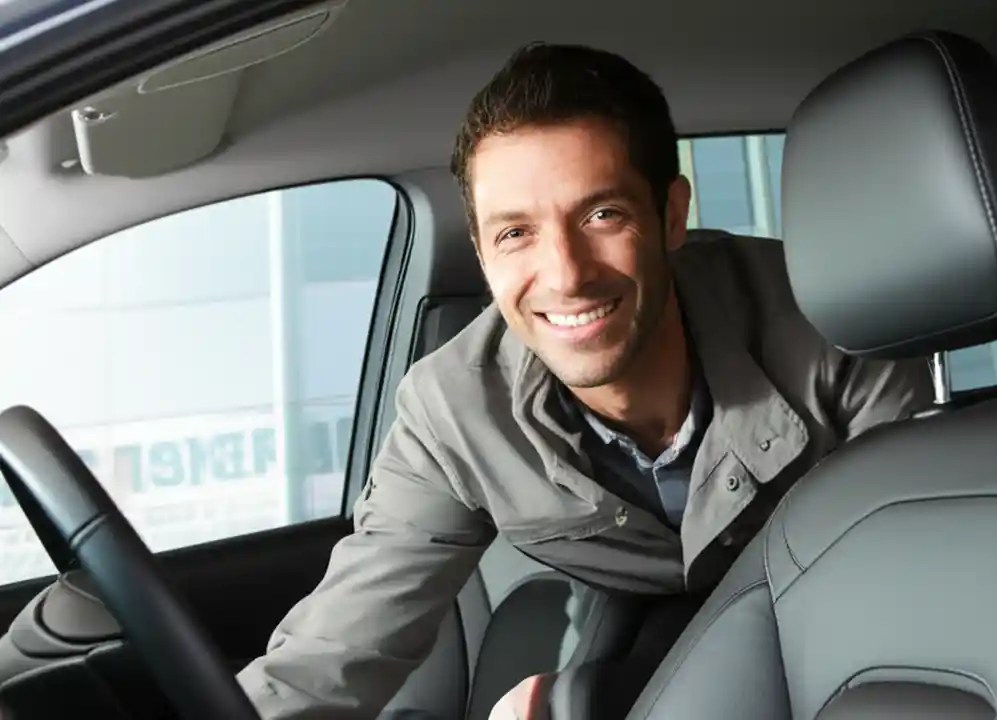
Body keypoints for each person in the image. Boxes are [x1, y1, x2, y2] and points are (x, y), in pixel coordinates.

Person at [236, 42, 932, 719]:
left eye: (603, 215)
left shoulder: (828, 319)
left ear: (672, 216)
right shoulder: (451, 410)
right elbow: (327, 659)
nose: (566, 274)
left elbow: (903, 587)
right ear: (482, 252)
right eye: (516, 234)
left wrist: (593, 698)